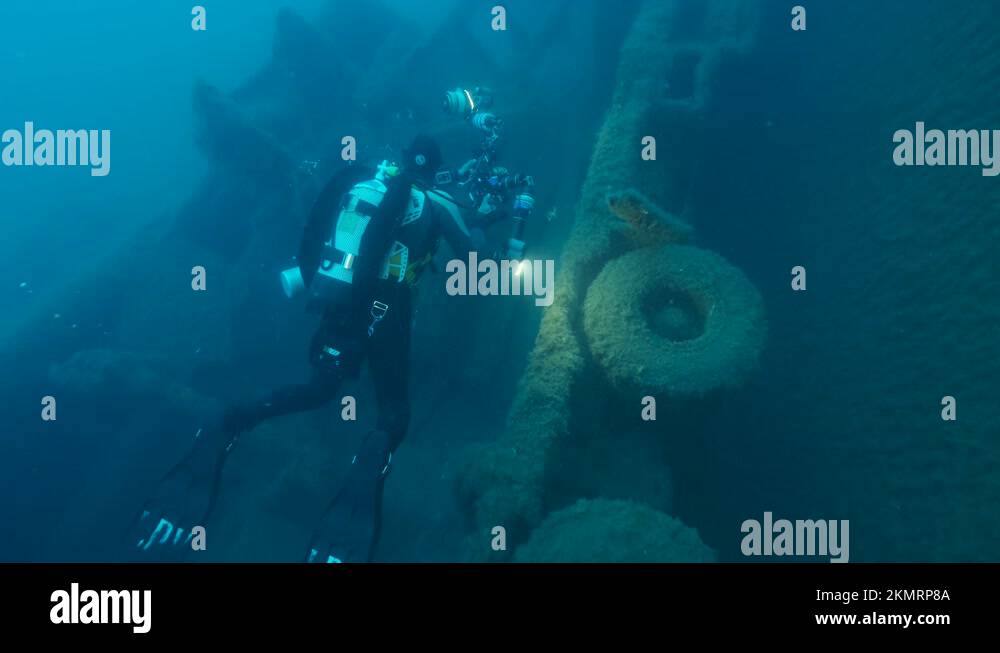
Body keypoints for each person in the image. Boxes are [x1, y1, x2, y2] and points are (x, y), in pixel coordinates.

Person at [132, 134, 487, 563]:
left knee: (320, 389)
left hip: (341, 301)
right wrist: (487, 225)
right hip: (386, 310)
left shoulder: (364, 184)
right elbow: (474, 262)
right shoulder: (437, 200)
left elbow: (316, 237)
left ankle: (231, 421)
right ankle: (372, 459)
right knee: (394, 412)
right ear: (435, 169)